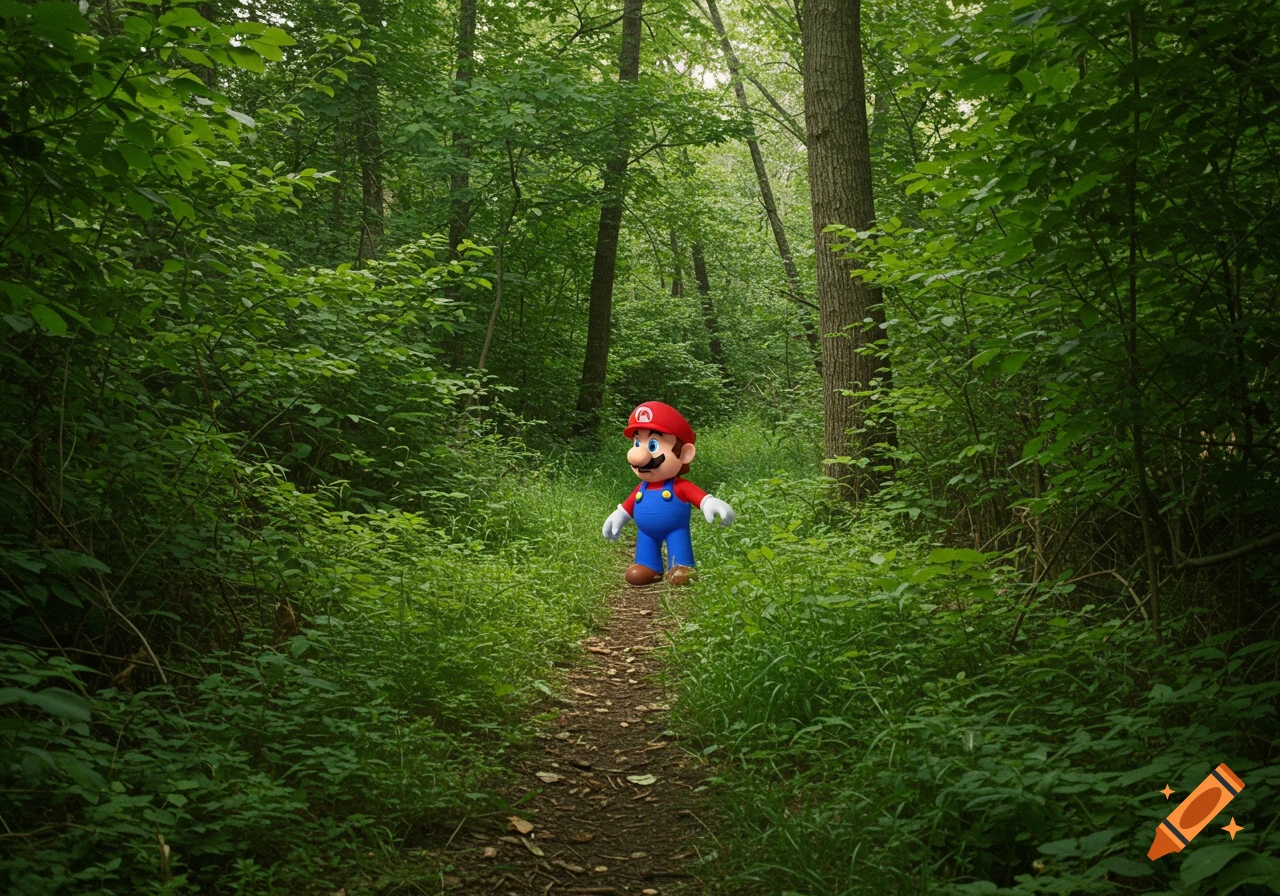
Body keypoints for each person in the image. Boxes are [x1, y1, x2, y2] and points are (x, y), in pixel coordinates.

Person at [601, 401, 735, 585]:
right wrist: (618, 516)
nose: (637, 455)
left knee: (679, 552)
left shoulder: (679, 486)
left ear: (684, 454)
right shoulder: (642, 487)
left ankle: (681, 567)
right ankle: (648, 566)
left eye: (653, 445)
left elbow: (699, 497)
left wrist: (709, 502)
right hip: (646, 532)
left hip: (675, 530)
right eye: (637, 442)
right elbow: (628, 507)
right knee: (638, 569)